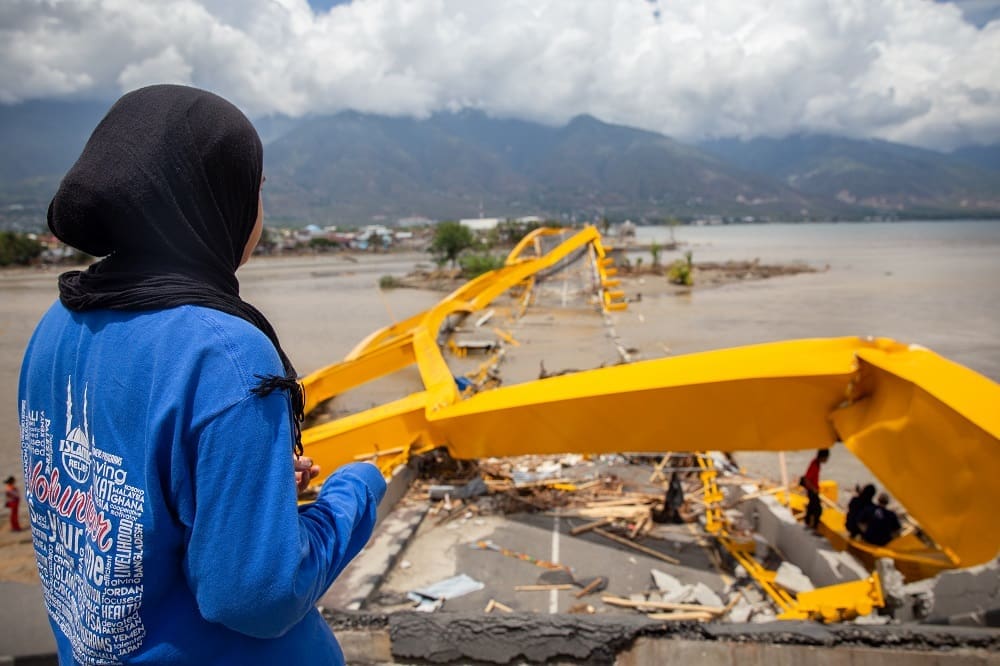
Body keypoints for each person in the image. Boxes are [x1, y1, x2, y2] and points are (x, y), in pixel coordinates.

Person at [18, 84, 386, 665]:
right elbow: (256, 598)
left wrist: (248, 493)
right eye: (256, 190)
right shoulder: (226, 354)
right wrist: (354, 492)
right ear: (218, 198)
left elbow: (119, 506)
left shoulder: (57, 323)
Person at [800, 449, 830, 530]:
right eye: (827, 457)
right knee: (817, 510)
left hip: (813, 490)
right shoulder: (815, 465)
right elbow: (807, 479)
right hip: (812, 491)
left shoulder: (816, 464)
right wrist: (813, 489)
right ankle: (813, 527)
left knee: (811, 509)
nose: (827, 459)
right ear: (823, 457)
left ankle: (809, 525)